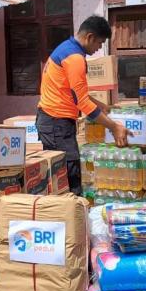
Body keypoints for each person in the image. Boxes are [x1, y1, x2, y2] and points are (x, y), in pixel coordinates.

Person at [36, 15, 129, 195]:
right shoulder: (74, 58)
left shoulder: (66, 48)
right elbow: (82, 103)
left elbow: (73, 92)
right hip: (56, 123)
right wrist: (114, 127)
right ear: (90, 37)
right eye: (99, 43)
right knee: (69, 178)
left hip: (53, 121)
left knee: (62, 177)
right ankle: (72, 211)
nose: (99, 48)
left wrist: (101, 105)